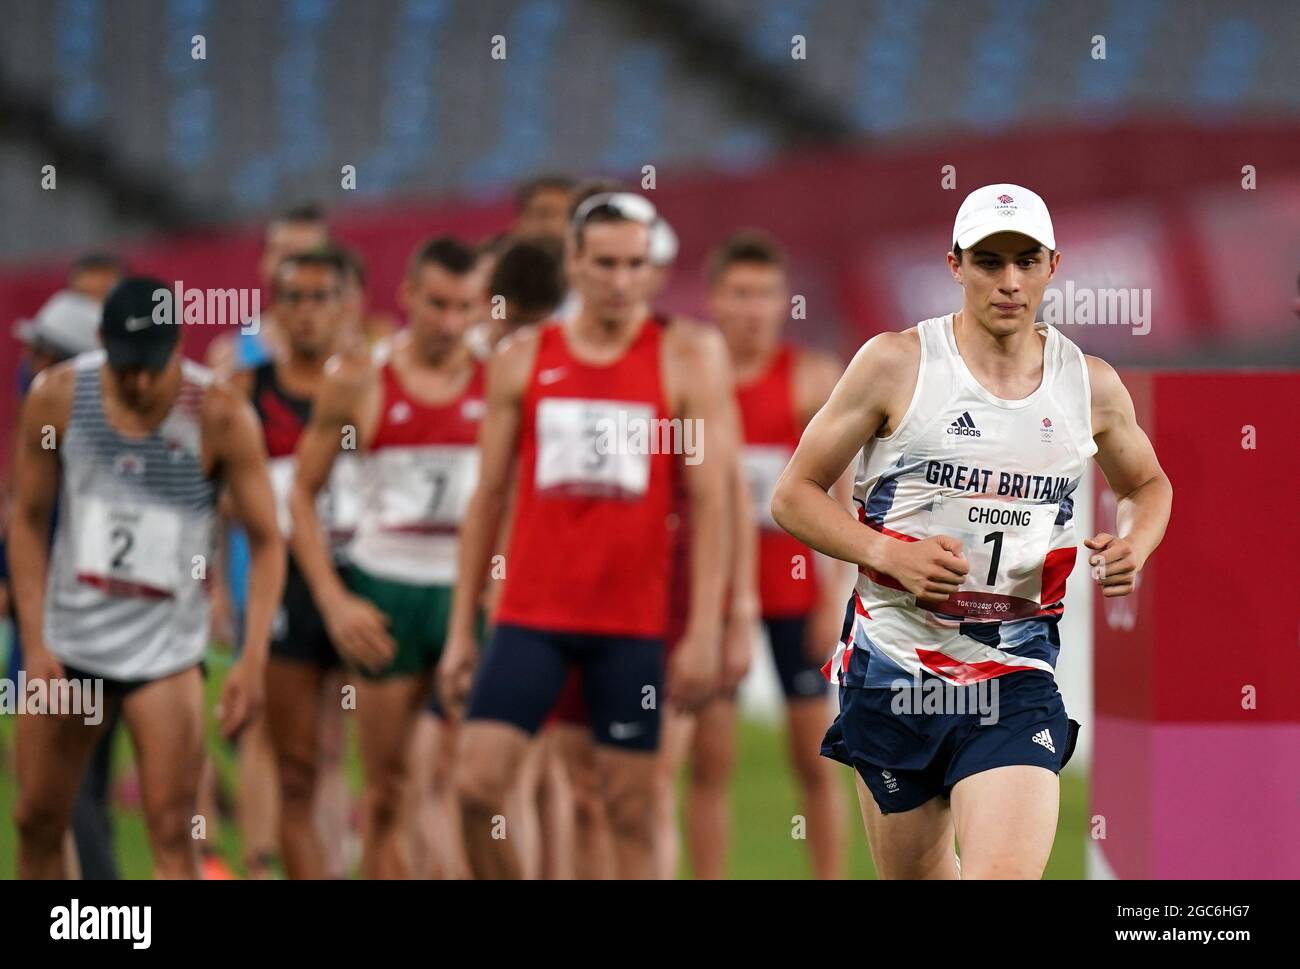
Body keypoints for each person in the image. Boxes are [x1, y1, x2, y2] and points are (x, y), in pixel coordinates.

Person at [771, 184, 1172, 879]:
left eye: (1026, 260)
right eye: (990, 260)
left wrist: (1134, 542)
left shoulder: (1089, 386)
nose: (1009, 280)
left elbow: (1147, 484)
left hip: (1014, 678)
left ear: (1053, 264)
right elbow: (793, 494)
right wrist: (889, 553)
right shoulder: (896, 364)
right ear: (955, 264)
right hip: (895, 672)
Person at [439, 192, 733, 879]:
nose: (621, 281)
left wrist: (705, 629)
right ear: (574, 262)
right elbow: (487, 499)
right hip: (531, 616)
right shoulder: (522, 359)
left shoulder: (682, 358)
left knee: (629, 811)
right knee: (476, 787)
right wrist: (461, 628)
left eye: (635, 264)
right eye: (605, 263)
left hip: (631, 624)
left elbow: (712, 502)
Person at [10, 277, 284, 879]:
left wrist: (252, 659)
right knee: (36, 818)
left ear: (178, 342)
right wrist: (35, 642)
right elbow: (26, 521)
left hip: (165, 653)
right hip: (71, 645)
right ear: (102, 343)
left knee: (172, 827)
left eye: (152, 367)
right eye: (125, 366)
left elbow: (267, 541)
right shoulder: (58, 397)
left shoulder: (219, 414)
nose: (138, 381)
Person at [289, 236, 485, 879]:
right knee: (388, 792)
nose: (449, 323)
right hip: (388, 595)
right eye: (436, 305)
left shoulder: (501, 376)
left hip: (468, 597)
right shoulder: (359, 379)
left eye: (464, 307)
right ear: (405, 297)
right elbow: (301, 495)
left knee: (476, 791)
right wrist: (335, 599)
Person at [705, 231, 850, 879]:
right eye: (739, 293)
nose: (753, 307)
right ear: (714, 299)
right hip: (713, 594)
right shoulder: (692, 376)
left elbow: (842, 496)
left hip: (795, 589)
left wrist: (834, 593)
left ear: (783, 300)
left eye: (765, 293)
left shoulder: (809, 377)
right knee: (710, 761)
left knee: (815, 758)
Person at [227, 249, 358, 879]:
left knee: (352, 752)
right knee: (286, 752)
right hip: (283, 584)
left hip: (358, 580)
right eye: (294, 298)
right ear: (275, 308)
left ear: (344, 304)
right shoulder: (247, 393)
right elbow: (216, 497)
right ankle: (260, 863)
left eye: (320, 297)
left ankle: (342, 862)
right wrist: (216, 595)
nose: (307, 312)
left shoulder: (366, 383)